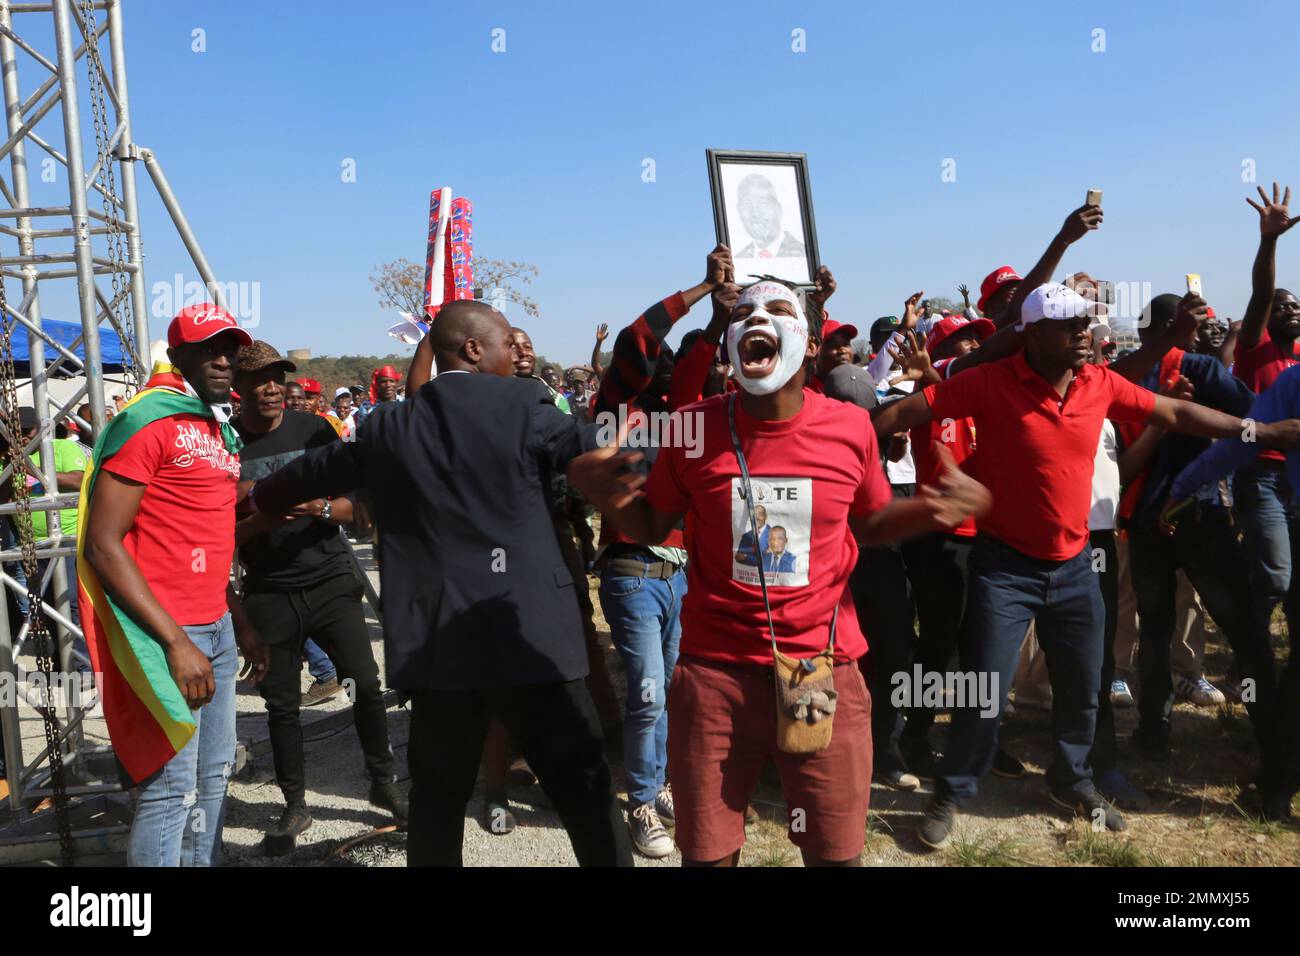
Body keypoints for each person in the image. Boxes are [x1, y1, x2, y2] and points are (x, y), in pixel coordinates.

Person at [570, 278, 989, 867]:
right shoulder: (693, 430)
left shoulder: (848, 429)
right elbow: (652, 522)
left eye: (777, 309)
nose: (754, 318)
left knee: (834, 851)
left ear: (810, 345)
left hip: (822, 671)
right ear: (730, 341)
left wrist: (928, 509)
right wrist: (605, 497)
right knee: (708, 853)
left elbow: (867, 527)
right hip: (715, 679)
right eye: (742, 312)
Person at [871, 281, 1300, 849]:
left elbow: (1172, 409)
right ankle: (953, 791)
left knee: (1083, 688)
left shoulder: (1098, 382)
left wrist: (1260, 430)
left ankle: (1071, 779)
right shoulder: (989, 382)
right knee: (986, 687)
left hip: (1075, 566)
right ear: (1033, 333)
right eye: (1069, 325)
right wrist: (847, 447)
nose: (1083, 333)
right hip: (1005, 570)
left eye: (1085, 323)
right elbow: (902, 410)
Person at [248, 299, 632, 867]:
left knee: (437, 804)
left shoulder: (390, 426)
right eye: (506, 342)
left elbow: (313, 471)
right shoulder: (525, 403)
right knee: (584, 795)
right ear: (475, 349)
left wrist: (257, 498)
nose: (515, 354)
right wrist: (649, 462)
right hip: (533, 645)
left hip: (440, 654)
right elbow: (593, 448)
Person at [79, 303, 269, 867]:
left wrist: (238, 617)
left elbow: (212, 536)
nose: (222, 360)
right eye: (207, 349)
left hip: (215, 626)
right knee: (169, 789)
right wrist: (175, 642)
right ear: (178, 353)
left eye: (229, 351)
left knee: (212, 780)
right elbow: (102, 543)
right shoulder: (149, 421)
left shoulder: (215, 426)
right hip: (166, 631)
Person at [231, 340, 406, 854]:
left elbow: (361, 503)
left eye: (278, 378)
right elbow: (216, 528)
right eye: (259, 380)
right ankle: (294, 806)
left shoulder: (314, 431)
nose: (271, 388)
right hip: (269, 591)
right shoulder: (225, 444)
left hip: (330, 580)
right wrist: (259, 515)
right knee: (281, 707)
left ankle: (383, 781)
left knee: (365, 686)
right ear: (238, 388)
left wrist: (324, 510)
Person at [587, 247, 730, 857]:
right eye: (659, 364)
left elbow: (698, 370)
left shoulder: (682, 419)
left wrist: (720, 321)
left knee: (667, 689)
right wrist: (700, 288)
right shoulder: (615, 411)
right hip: (632, 572)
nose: (669, 372)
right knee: (646, 690)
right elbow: (638, 336)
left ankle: (661, 782)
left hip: (679, 576)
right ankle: (641, 802)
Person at [1167, 360, 1300, 818]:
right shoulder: (1295, 381)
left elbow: (1239, 441)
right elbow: (1247, 436)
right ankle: (1278, 785)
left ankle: (1278, 785)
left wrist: (1181, 487)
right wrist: (1184, 486)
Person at [1228, 183, 1300, 646]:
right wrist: (1269, 239)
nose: (1291, 309)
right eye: (1282, 305)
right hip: (1261, 477)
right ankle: (1246, 653)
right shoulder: (1256, 350)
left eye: (1296, 305)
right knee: (1274, 576)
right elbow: (1260, 293)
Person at [733, 172, 806, 260]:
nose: (755, 213)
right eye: (747, 204)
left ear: (778, 210)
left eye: (763, 203)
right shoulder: (737, 261)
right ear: (739, 211)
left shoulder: (805, 255)